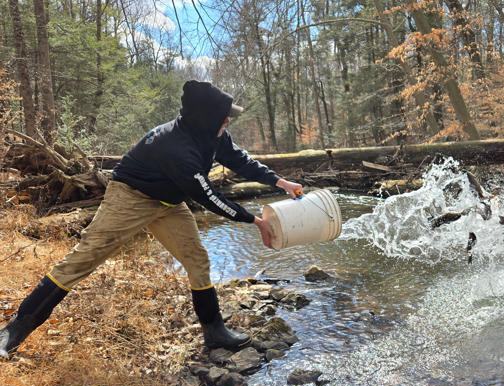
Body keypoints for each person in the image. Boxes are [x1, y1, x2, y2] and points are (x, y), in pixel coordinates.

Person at [0, 80, 303, 358]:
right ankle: (14, 330)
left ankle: (214, 332)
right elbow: (208, 196)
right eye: (224, 115)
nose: (228, 119)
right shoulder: (176, 146)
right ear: (206, 117)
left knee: (198, 261)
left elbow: (240, 160)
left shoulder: (213, 134)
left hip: (169, 201)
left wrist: (280, 183)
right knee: (84, 259)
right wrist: (255, 221)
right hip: (131, 197)